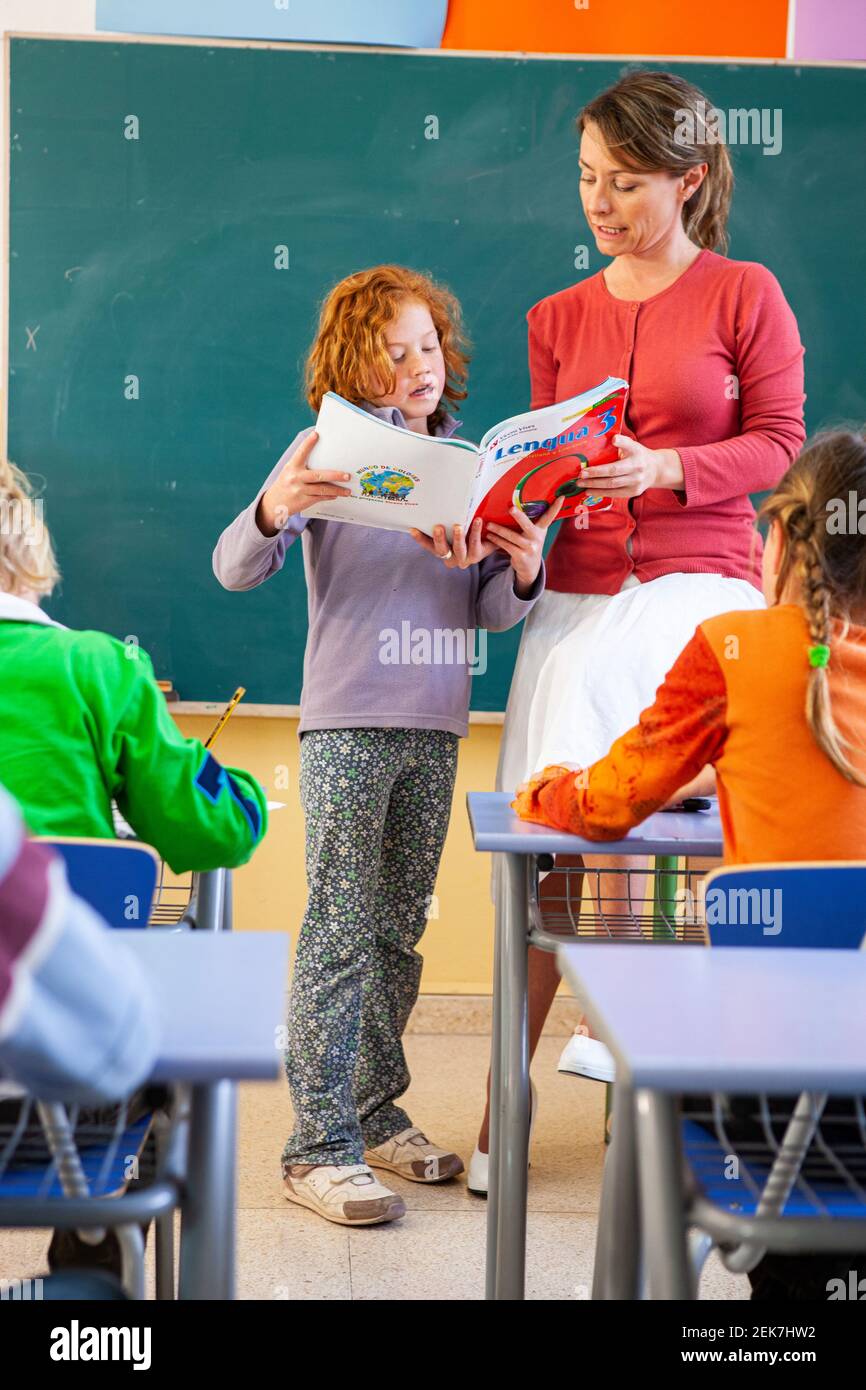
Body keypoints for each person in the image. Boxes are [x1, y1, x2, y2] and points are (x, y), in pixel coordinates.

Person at [471, 68, 806, 1193]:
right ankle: (505, 1109)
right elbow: (540, 471)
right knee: (545, 836)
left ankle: (654, 1069)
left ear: (689, 178)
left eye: (622, 181)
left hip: (697, 581)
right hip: (572, 588)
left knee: (630, 782)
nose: (597, 203)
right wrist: (511, 509)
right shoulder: (554, 318)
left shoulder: (743, 293)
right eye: (584, 180)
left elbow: (777, 445)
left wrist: (664, 466)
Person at [214, 264, 554, 1226]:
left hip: (436, 720)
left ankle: (372, 1110)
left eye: (430, 346)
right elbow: (236, 566)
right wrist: (280, 504)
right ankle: (314, 1145)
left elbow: (486, 608)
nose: (419, 366)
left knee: (398, 930)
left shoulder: (469, 464)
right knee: (338, 927)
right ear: (354, 365)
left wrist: (521, 567)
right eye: (395, 351)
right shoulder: (328, 448)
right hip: (351, 717)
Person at [514, 427, 866, 1299]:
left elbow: (601, 805)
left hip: (771, 1105)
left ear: (778, 538)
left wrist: (545, 785)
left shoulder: (734, 650)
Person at [0, 458, 267, 871]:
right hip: (59, 921)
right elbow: (214, 835)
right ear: (30, 560)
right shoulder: (96, 666)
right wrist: (243, 797)